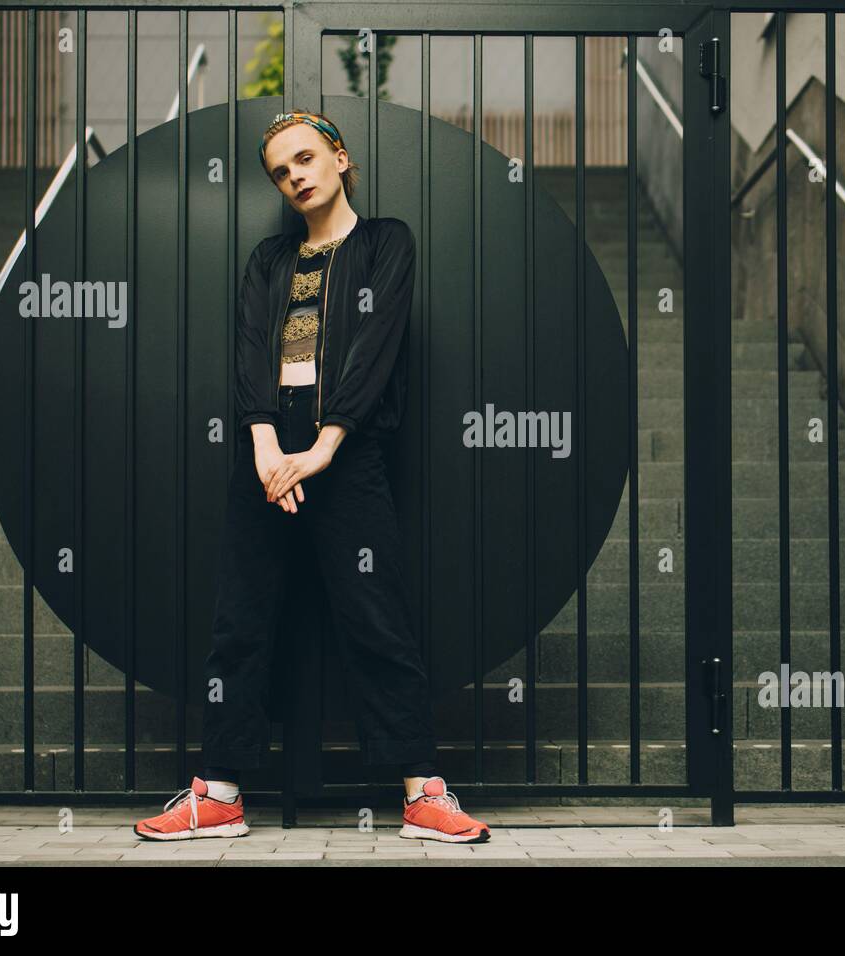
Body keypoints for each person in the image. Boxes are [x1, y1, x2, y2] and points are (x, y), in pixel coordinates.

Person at [134, 110, 489, 844]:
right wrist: (266, 446)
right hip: (268, 451)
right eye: (279, 171)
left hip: (346, 452)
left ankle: (423, 795)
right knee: (240, 622)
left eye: (304, 158)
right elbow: (250, 351)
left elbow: (376, 348)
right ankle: (219, 797)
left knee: (377, 618)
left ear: (340, 157)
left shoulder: (386, 242)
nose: (294, 176)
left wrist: (326, 447)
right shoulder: (269, 259)